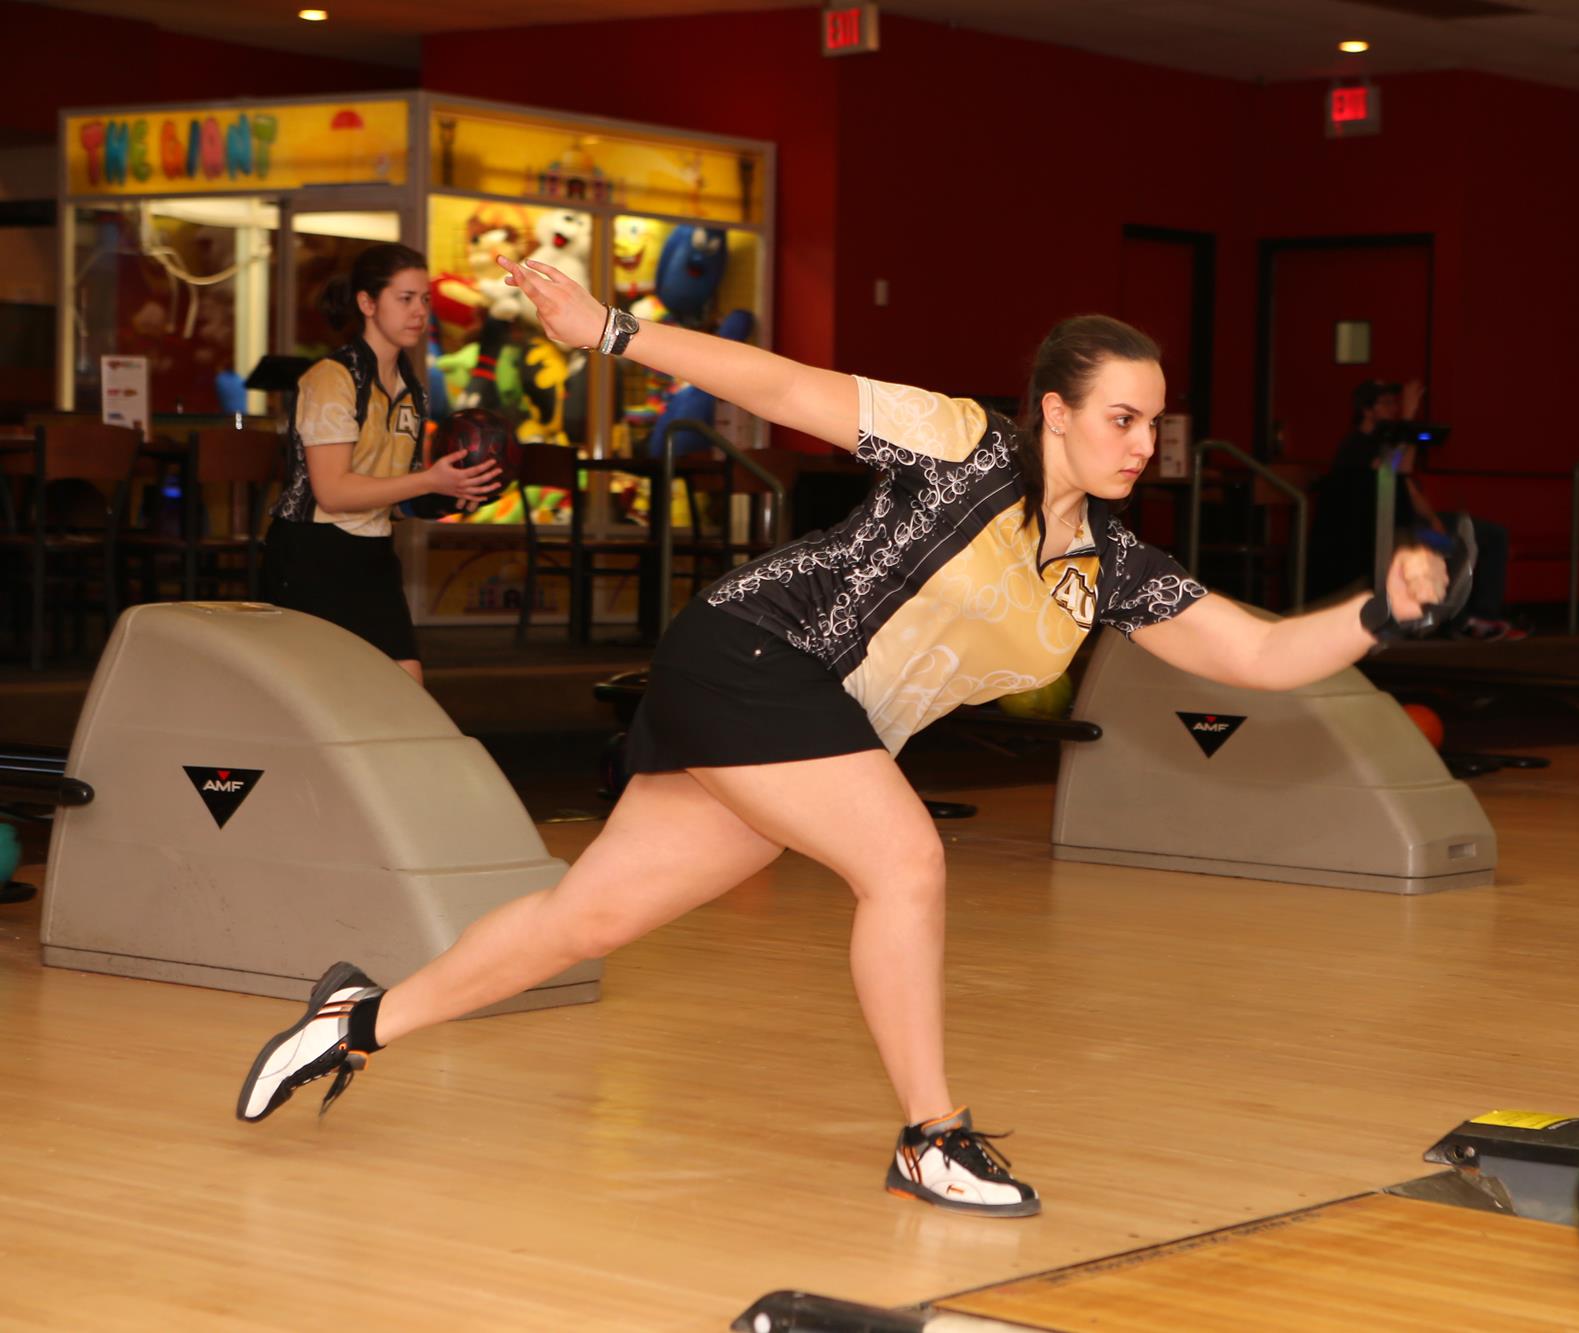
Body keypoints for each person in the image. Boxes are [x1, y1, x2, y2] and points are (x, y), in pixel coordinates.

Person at [237, 256, 1466, 1219]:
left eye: (1155, 424)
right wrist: (612, 334)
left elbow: (1255, 655)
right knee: (903, 862)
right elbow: (778, 385)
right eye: (1123, 418)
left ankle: (354, 1021)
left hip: (802, 723)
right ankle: (929, 1139)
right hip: (752, 653)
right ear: (1054, 410)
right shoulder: (956, 442)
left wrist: (1380, 611)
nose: (1145, 443)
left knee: (586, 921)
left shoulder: (1110, 569)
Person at [264, 243, 503, 684]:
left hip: (371, 553)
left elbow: (394, 498)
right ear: (367, 303)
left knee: (405, 685)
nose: (420, 312)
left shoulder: (413, 386)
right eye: (405, 299)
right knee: (320, 697)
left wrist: (449, 492)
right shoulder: (331, 378)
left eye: (425, 299)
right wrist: (428, 479)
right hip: (311, 553)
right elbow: (333, 493)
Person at [1308, 379, 1520, 639]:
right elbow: (1391, 467)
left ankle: (1482, 617)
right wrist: (1408, 419)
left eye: (1395, 404)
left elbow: (1405, 477)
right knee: (1451, 544)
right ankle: (1450, 621)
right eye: (1386, 404)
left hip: (1410, 523)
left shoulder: (1392, 438)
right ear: (1366, 410)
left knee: (1488, 534)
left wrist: (1431, 518)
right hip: (1381, 531)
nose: (1393, 410)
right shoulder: (1355, 445)